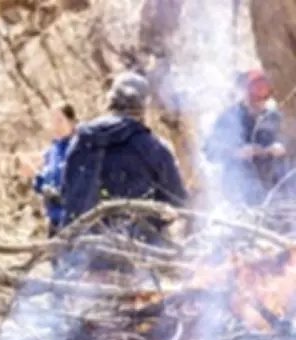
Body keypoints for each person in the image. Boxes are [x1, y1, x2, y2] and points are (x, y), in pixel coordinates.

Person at [59, 71, 187, 231]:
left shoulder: (81, 140)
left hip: (83, 245)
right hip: (141, 248)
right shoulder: (152, 147)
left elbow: (66, 192)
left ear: (110, 101)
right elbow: (177, 200)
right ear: (143, 106)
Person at [203, 69, 287, 206]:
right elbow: (210, 152)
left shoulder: (273, 117)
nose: (259, 104)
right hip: (238, 193)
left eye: (264, 98)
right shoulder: (229, 118)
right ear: (246, 93)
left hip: (272, 190)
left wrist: (281, 147)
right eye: (255, 98)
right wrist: (236, 152)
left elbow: (288, 141)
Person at [25, 101, 77, 237]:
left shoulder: (77, 148)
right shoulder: (52, 149)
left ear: (71, 122)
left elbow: (64, 187)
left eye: (60, 120)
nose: (55, 125)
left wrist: (38, 178)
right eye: (53, 120)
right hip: (53, 220)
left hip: (72, 221)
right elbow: (44, 183)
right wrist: (34, 175)